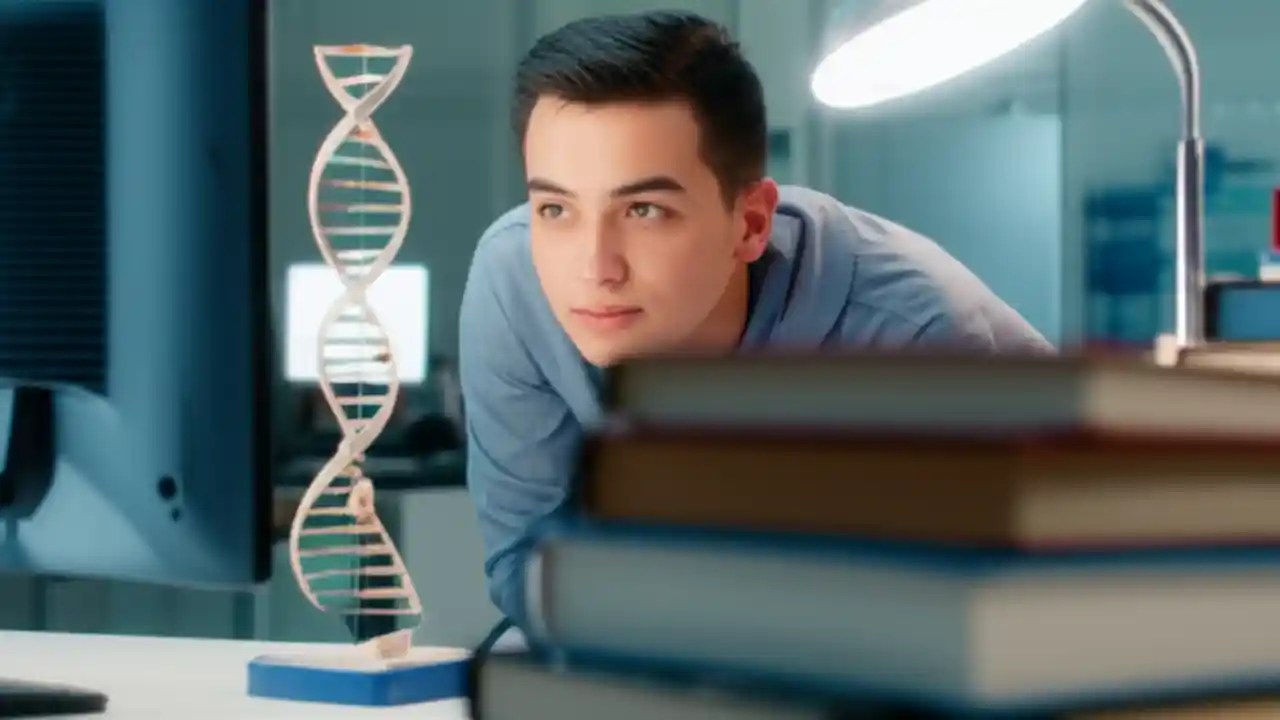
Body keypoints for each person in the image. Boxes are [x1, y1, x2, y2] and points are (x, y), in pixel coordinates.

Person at [457, 10, 1054, 631]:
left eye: (644, 210)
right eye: (556, 209)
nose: (595, 268)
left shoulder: (911, 338)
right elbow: (526, 563)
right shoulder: (515, 278)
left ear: (750, 223)